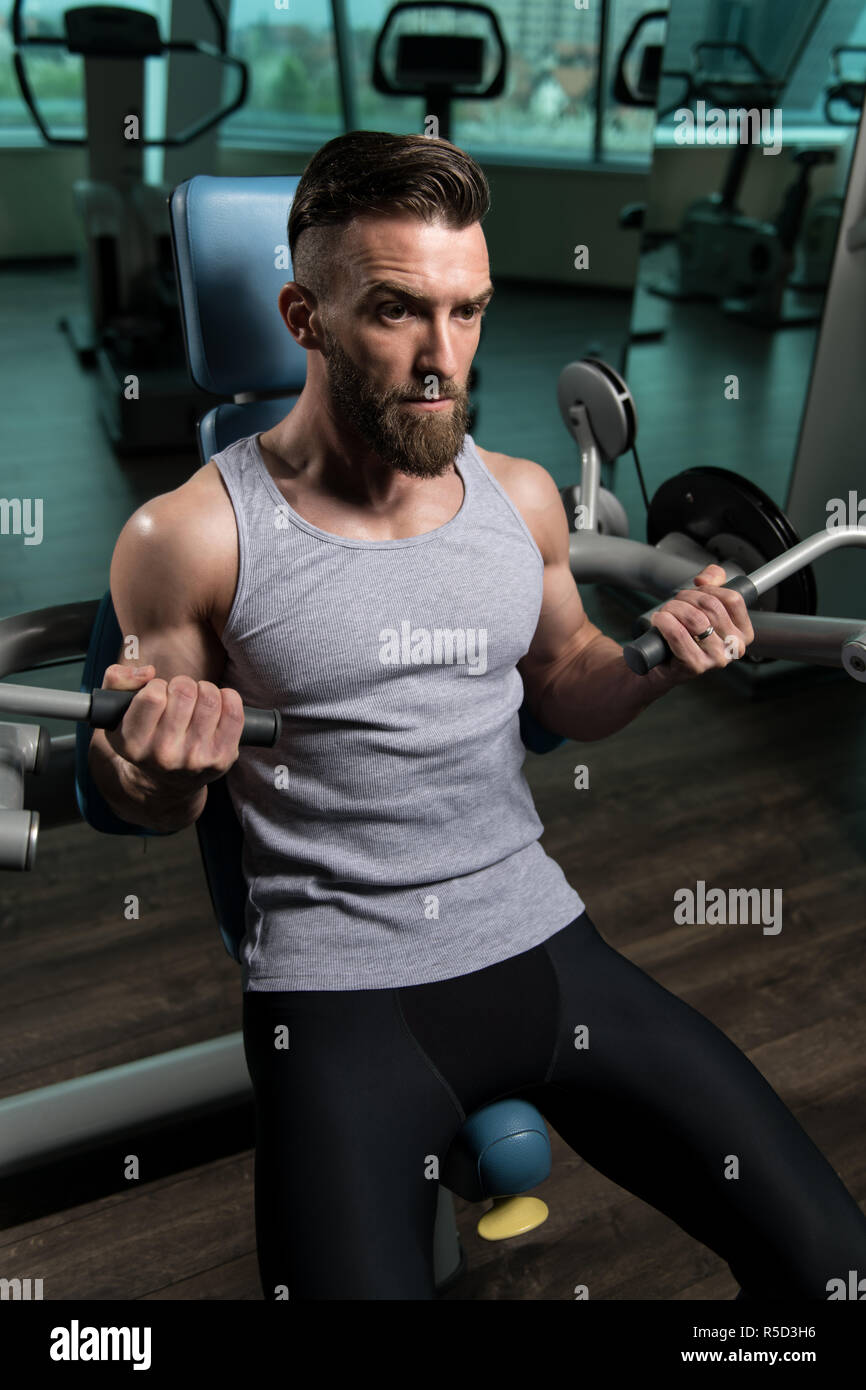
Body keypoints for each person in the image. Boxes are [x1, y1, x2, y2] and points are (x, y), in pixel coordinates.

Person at [89, 130, 866, 1301]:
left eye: (469, 312)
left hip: (549, 952)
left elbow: (567, 686)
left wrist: (660, 657)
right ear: (304, 317)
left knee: (835, 1271)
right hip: (337, 998)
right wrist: (158, 766)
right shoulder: (187, 536)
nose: (442, 358)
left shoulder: (519, 496)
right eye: (400, 313)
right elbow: (142, 798)